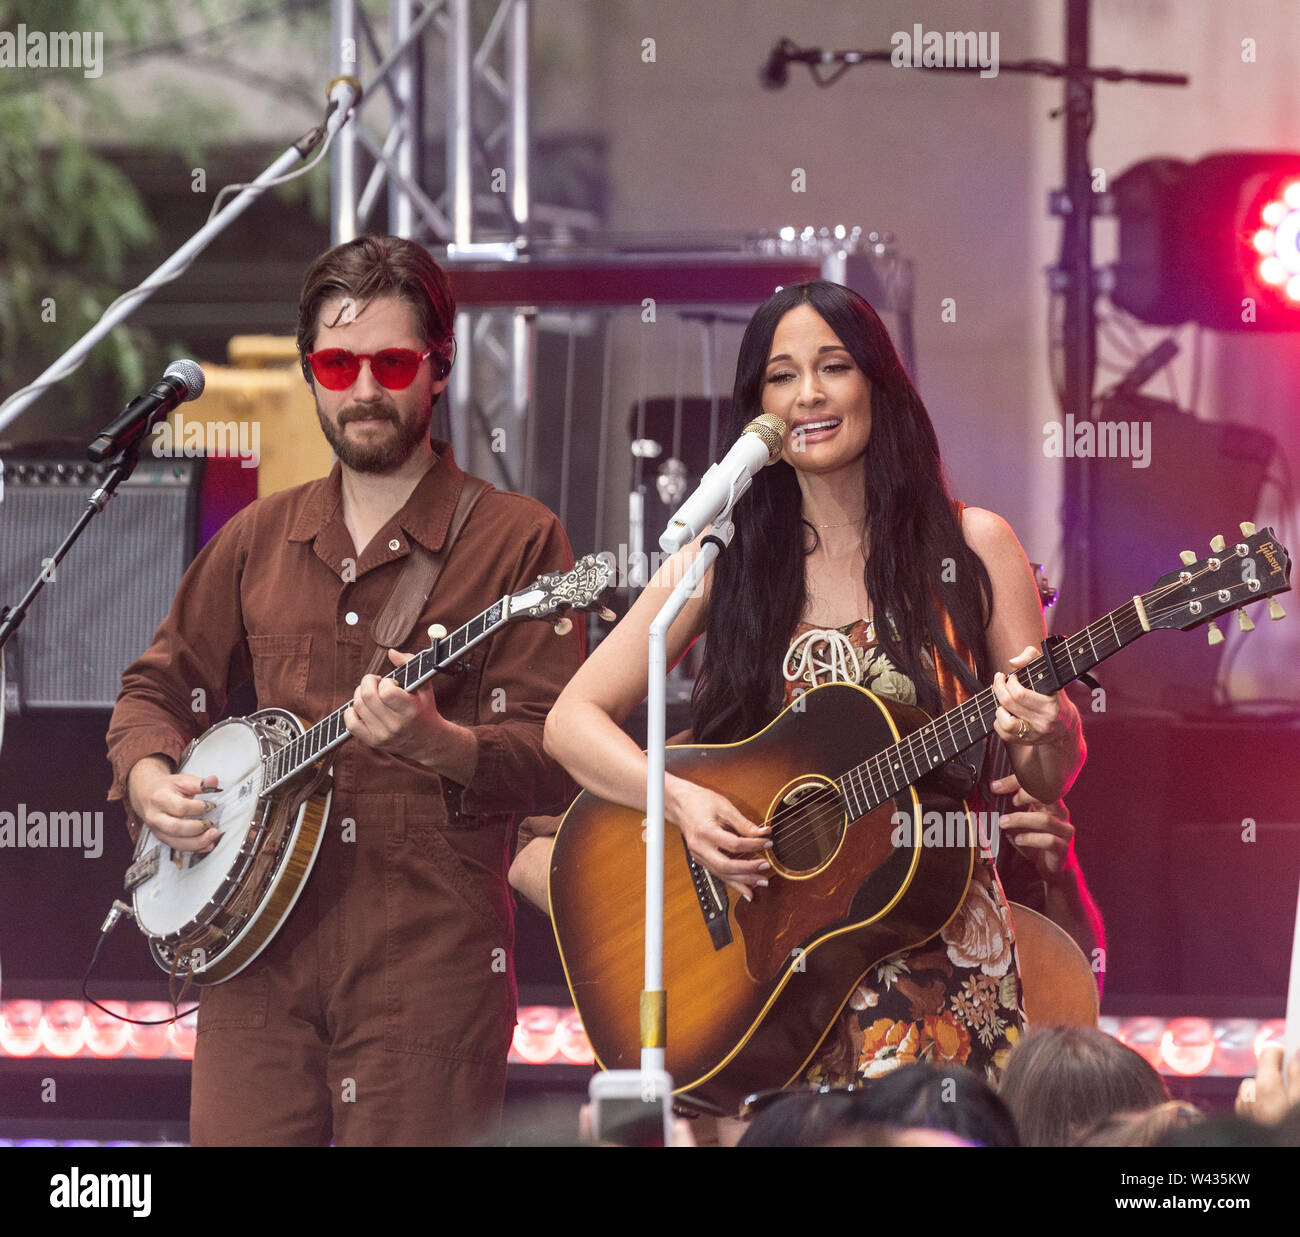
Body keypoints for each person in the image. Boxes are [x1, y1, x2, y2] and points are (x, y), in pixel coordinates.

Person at [542, 279, 1086, 1094]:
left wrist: (1052, 730)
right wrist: (684, 803)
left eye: (833, 367)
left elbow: (1044, 773)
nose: (810, 395)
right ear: (756, 405)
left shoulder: (973, 546)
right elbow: (570, 720)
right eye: (782, 375)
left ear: (877, 382)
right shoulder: (726, 563)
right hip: (778, 967)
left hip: (943, 939)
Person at [106, 234, 583, 1146]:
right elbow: (153, 688)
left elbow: (553, 759)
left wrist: (439, 742)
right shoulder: (258, 538)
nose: (365, 388)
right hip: (253, 964)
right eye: (338, 362)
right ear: (311, 374)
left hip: (429, 970)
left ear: (438, 370)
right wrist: (147, 778)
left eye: (393, 362)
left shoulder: (521, 542)